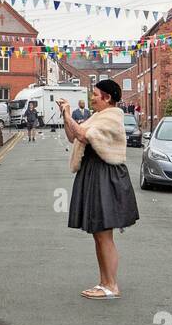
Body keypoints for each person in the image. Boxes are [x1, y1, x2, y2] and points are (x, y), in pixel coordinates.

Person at [59, 79, 139, 301]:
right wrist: (65, 116)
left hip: (106, 176)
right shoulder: (98, 116)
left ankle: (111, 285)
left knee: (104, 234)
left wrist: (67, 115)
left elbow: (85, 136)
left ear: (107, 98)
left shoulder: (113, 117)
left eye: (95, 94)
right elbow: (73, 135)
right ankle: (104, 282)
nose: (91, 97)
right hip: (95, 173)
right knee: (98, 233)